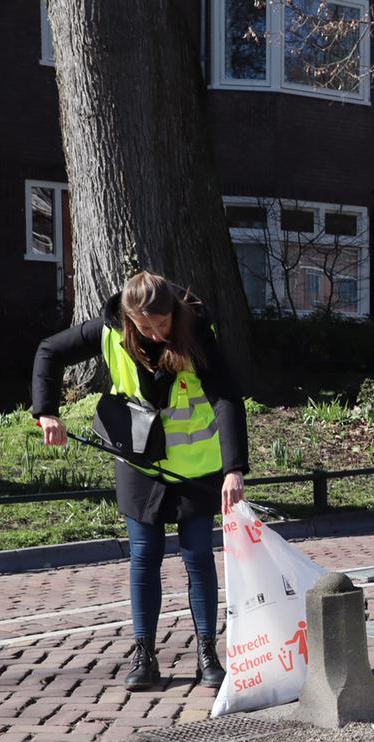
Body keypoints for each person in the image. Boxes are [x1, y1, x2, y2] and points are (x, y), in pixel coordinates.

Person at [31, 271, 249, 692]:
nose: (154, 334)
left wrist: (233, 468)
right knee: (145, 556)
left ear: (174, 313)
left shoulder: (197, 333)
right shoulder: (111, 329)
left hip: (194, 465)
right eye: (144, 326)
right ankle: (144, 655)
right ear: (129, 318)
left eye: (162, 324)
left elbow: (226, 397)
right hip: (138, 460)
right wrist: (47, 411)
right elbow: (49, 350)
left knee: (198, 555)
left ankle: (208, 654)